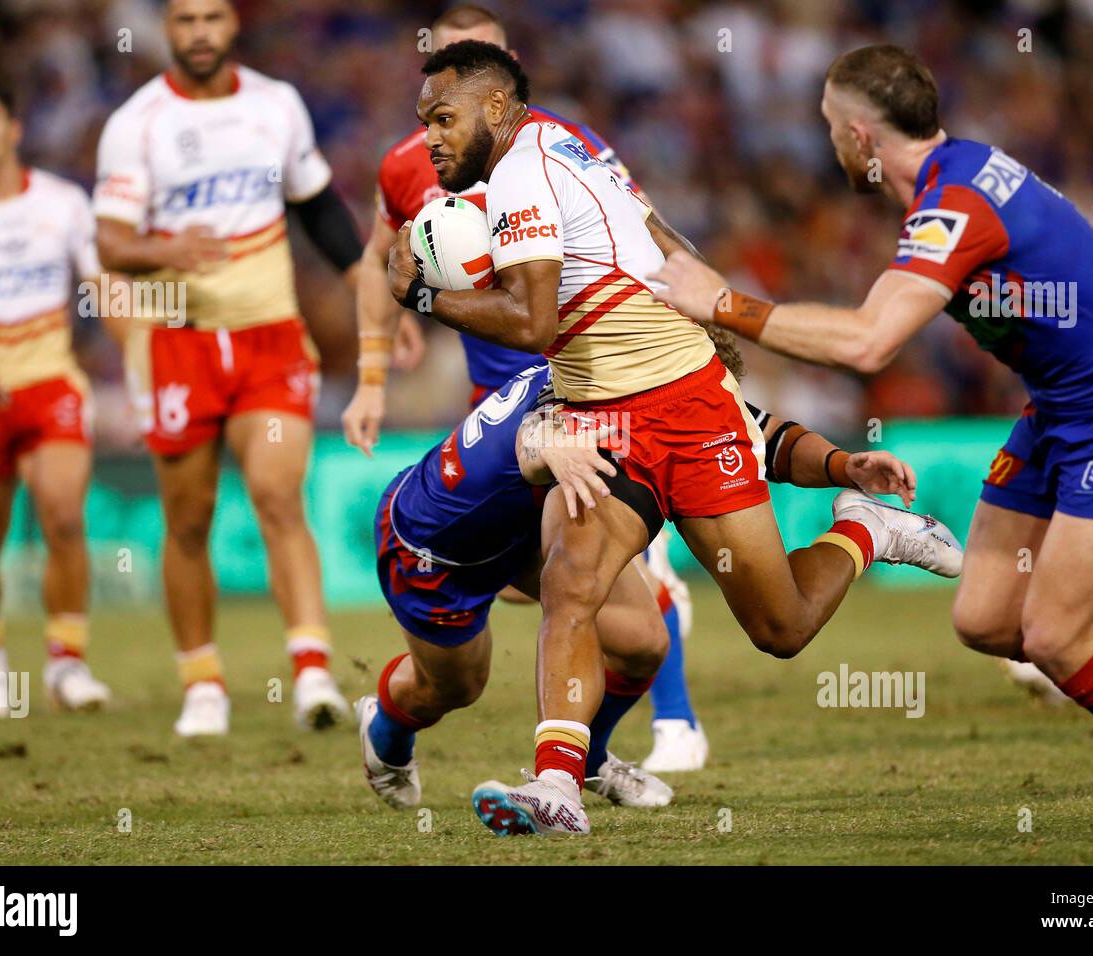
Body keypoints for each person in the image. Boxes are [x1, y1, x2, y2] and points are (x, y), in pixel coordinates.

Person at [651, 44, 1093, 846]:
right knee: (990, 616)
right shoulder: (952, 177)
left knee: (1058, 636)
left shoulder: (954, 206)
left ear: (859, 136)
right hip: (1065, 411)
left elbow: (867, 343)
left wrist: (719, 302)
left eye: (827, 126)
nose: (825, 143)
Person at [386, 39, 962, 836]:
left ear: (493, 108)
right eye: (423, 125)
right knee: (571, 581)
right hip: (603, 415)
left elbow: (532, 320)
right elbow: (659, 234)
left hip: (685, 410)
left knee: (781, 628)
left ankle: (867, 530)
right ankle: (557, 786)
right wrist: (705, 309)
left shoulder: (524, 170)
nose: (431, 141)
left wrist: (423, 294)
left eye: (443, 120)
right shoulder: (568, 137)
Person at [349, 3, 707, 770]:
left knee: (626, 590)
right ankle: (400, 724)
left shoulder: (561, 145)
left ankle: (618, 747)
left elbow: (641, 220)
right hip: (510, 398)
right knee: (468, 673)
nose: (445, 102)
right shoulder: (409, 164)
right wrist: (372, 371)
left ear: (501, 81)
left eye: (471, 64)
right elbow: (377, 264)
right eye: (439, 72)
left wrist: (704, 298)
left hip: (588, 380)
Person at [93, 0, 366, 735]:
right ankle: (202, 682)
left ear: (233, 24)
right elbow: (112, 244)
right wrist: (167, 252)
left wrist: (369, 297)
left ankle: (312, 673)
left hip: (270, 337)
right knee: (189, 519)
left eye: (212, 17)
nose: (200, 32)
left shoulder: (277, 105)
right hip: (181, 341)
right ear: (169, 31)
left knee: (279, 494)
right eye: (185, 20)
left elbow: (319, 210)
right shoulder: (137, 123)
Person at [360, 361, 673, 820]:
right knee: (454, 687)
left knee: (642, 641)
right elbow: (537, 438)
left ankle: (584, 760)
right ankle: (384, 733)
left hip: (520, 527)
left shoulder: (605, 368)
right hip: (434, 548)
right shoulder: (589, 390)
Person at [0, 75, 111, 716]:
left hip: (51, 381)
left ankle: (67, 663)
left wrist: (144, 348)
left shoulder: (62, 202)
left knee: (63, 517)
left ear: (14, 128)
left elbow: (101, 287)